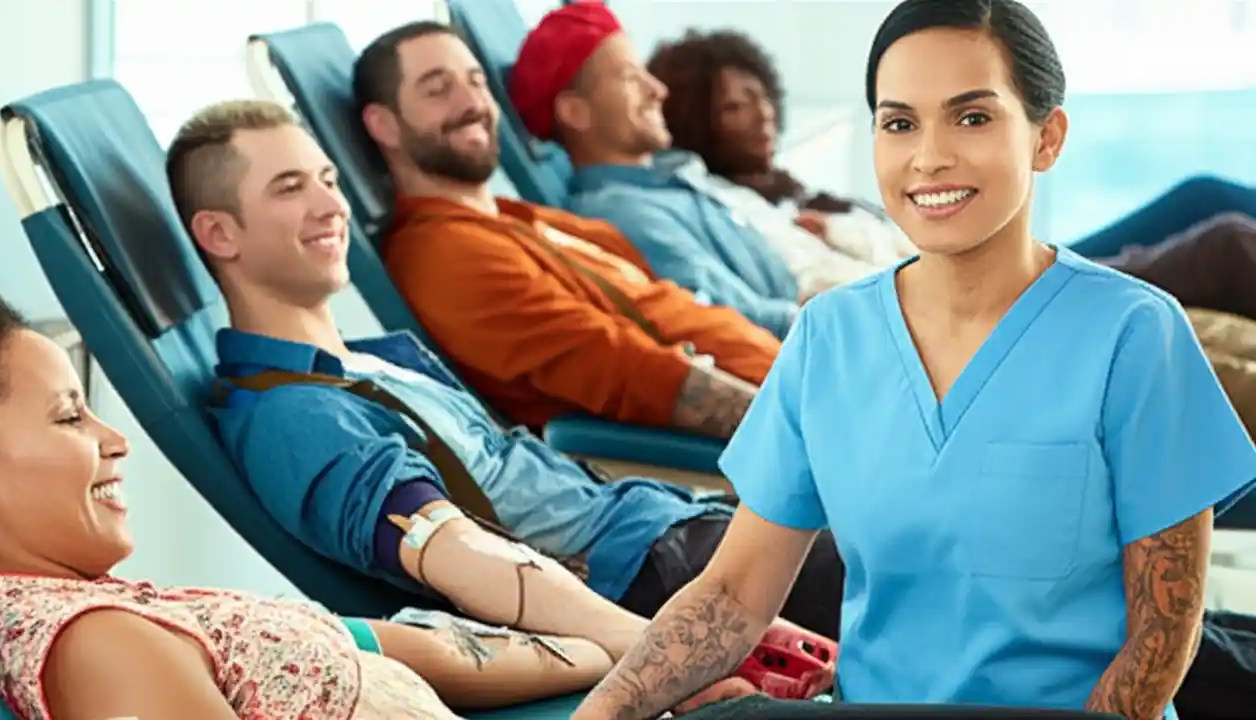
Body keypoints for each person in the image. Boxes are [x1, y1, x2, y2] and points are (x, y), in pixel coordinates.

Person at [573, 2, 1256, 720]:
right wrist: (604, 713)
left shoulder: (1135, 335)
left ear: (1046, 136)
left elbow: (1163, 634)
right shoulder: (830, 337)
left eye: (972, 118)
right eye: (899, 123)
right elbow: (732, 596)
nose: (929, 156)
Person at [166, 99, 846, 648]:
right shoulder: (295, 414)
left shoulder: (376, 360)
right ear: (221, 235)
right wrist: (666, 650)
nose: (330, 206)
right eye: (289, 189)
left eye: (329, 181)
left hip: (682, 529)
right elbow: (464, 559)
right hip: (653, 578)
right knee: (929, 572)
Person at [0, 272, 616, 719]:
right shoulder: (99, 643)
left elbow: (425, 650)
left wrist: (633, 657)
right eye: (69, 418)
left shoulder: (133, 607)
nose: (117, 441)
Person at [647, 28, 1256, 319]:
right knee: (1227, 244)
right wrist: (837, 234)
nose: (762, 115)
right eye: (733, 106)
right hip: (966, 287)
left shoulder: (792, 190)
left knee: (1203, 197)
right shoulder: (736, 209)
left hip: (1000, 259)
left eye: (761, 96)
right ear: (697, 121)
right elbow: (825, 288)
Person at [355, 22, 780, 438]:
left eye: (476, 81)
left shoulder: (524, 220)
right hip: (760, 426)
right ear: (383, 125)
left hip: (789, 378)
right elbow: (624, 370)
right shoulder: (445, 256)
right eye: (437, 89)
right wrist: (800, 423)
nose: (473, 102)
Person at [507, 1, 871, 335]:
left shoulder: (674, 177)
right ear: (575, 112)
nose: (657, 90)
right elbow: (736, 319)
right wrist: (862, 312)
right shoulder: (622, 212)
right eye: (630, 77)